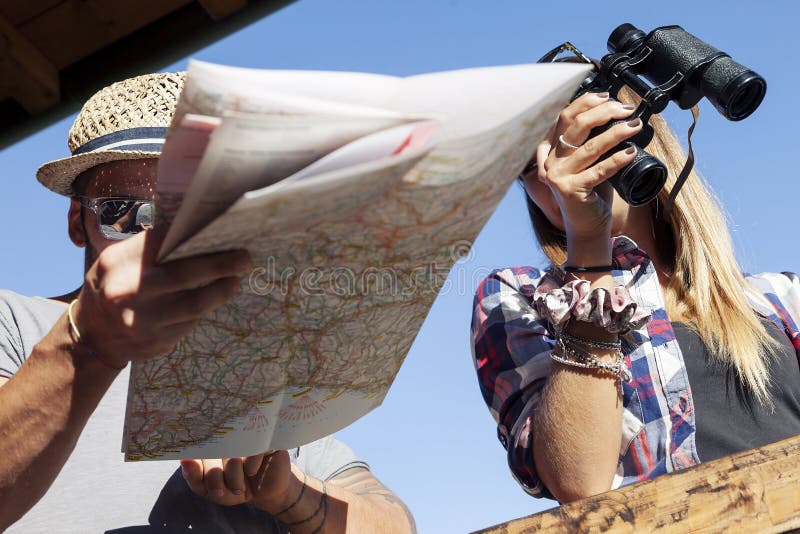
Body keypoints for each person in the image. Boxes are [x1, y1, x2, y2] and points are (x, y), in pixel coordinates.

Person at [0, 72, 415, 532]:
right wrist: (87, 344)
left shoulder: (257, 371)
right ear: (78, 222)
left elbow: (393, 522)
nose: (161, 239)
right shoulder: (15, 324)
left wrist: (288, 492)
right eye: (125, 213)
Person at [471, 86, 800, 504]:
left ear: (639, 135)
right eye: (528, 164)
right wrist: (589, 247)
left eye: (573, 137)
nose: (552, 168)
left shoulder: (783, 298)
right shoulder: (519, 297)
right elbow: (577, 481)